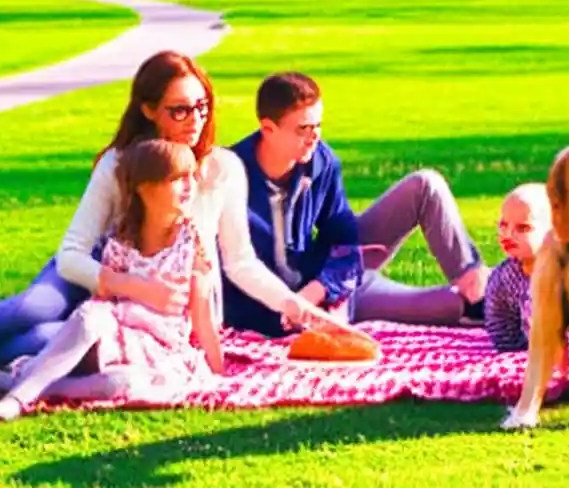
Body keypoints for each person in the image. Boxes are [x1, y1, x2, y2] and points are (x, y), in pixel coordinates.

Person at [0, 52, 332, 364]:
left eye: (201, 106)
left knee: (46, 338)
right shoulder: (120, 164)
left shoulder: (225, 169)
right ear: (149, 110)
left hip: (161, 307)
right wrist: (128, 285)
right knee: (34, 310)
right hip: (96, 271)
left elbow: (240, 262)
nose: (194, 120)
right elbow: (72, 253)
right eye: (179, 110)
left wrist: (294, 305)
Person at [0, 140, 223, 421]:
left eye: (192, 176)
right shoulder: (123, 239)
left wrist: (219, 372)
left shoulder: (192, 244)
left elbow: (202, 318)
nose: (190, 186)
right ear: (145, 187)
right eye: (177, 178)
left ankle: (17, 383)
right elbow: (106, 302)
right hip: (112, 334)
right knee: (91, 317)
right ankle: (15, 401)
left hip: (158, 349)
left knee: (124, 385)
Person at [223, 72, 491, 337]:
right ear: (268, 128)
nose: (314, 137)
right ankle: (481, 305)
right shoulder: (228, 173)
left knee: (426, 184)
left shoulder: (321, 161)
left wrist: (322, 287)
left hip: (330, 282)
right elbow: (228, 269)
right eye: (303, 128)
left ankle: (477, 288)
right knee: (451, 309)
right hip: (280, 307)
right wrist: (296, 306)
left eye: (318, 126)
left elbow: (344, 237)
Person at [484, 183, 551, 352]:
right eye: (503, 225)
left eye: (523, 228)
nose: (508, 234)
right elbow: (500, 327)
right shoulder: (504, 279)